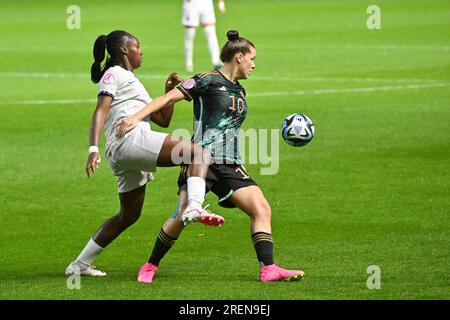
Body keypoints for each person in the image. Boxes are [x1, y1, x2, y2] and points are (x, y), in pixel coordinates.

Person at [115, 30, 305, 283]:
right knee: (181, 215)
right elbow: (168, 97)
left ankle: (268, 269)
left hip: (229, 163)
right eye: (252, 58)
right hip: (200, 159)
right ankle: (150, 265)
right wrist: (135, 118)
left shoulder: (240, 91)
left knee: (261, 208)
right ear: (239, 57)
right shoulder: (206, 80)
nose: (254, 64)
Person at [65, 30, 224, 278]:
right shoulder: (113, 74)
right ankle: (194, 206)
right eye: (138, 47)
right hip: (129, 141)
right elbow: (100, 111)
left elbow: (161, 120)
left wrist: (168, 93)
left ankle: (79, 265)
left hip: (126, 150)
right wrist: (92, 148)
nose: (141, 52)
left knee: (128, 215)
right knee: (199, 154)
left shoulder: (131, 80)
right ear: (125, 50)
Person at [182, 0, 226, 72]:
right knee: (190, 34)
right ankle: (188, 63)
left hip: (206, 4)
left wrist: (220, 2)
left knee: (210, 32)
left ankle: (216, 61)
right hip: (191, 5)